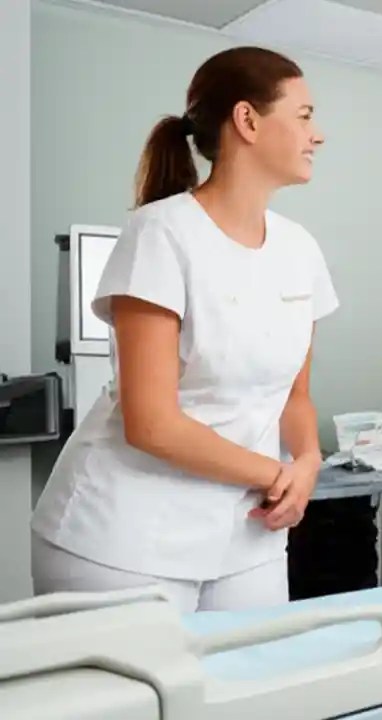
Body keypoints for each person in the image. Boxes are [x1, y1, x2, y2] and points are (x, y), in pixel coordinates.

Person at [29, 46, 338, 613]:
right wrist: (278, 472)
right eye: (304, 115)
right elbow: (152, 423)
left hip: (248, 533)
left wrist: (309, 462)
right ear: (247, 120)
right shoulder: (161, 234)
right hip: (124, 536)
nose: (317, 134)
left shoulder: (300, 249)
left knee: (253, 695)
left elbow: (295, 395)